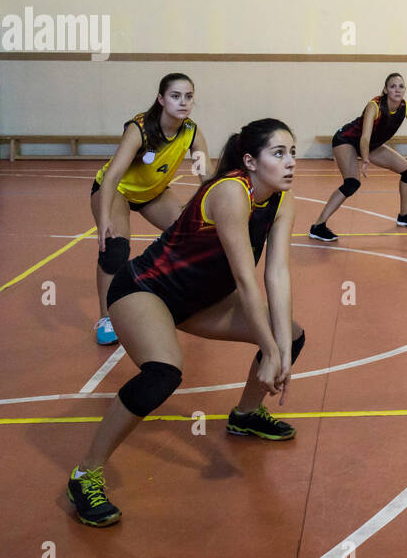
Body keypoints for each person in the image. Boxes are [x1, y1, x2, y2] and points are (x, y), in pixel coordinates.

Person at [66, 119, 304, 527]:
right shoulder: (232, 192)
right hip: (145, 290)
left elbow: (277, 275)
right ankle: (85, 473)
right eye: (278, 153)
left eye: (293, 153)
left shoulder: (282, 200)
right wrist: (268, 351)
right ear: (249, 161)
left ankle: (246, 415)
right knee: (163, 373)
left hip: (199, 301)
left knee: (293, 337)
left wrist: (280, 350)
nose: (290, 162)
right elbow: (247, 281)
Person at [90, 73, 210, 345]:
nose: (183, 102)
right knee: (115, 248)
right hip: (115, 191)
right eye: (175, 96)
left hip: (152, 194)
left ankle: (179, 295)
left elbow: (205, 175)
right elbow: (113, 176)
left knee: (193, 235)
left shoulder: (191, 131)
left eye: (188, 97)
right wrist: (105, 218)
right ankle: (106, 317)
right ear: (161, 99)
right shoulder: (141, 128)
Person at [309, 72, 407, 241]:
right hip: (347, 140)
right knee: (351, 183)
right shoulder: (374, 106)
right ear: (385, 90)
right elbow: (364, 137)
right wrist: (365, 159)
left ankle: (404, 216)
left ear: (405, 90)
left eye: (401, 86)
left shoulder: (405, 108)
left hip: (371, 144)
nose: (397, 89)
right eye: (392, 86)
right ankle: (318, 226)